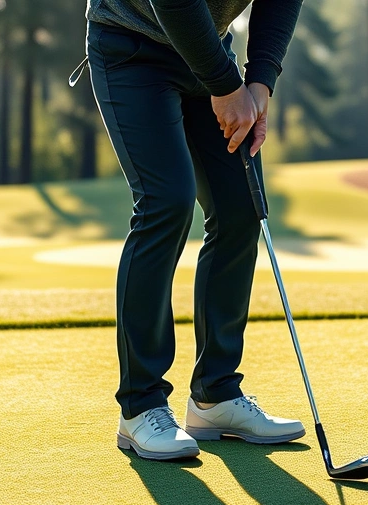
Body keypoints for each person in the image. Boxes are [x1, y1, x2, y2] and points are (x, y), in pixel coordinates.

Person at [85, 0, 307, 460]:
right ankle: (140, 406)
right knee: (165, 203)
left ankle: (215, 395)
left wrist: (260, 81)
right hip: (132, 46)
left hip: (209, 49)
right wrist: (227, 86)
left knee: (241, 208)